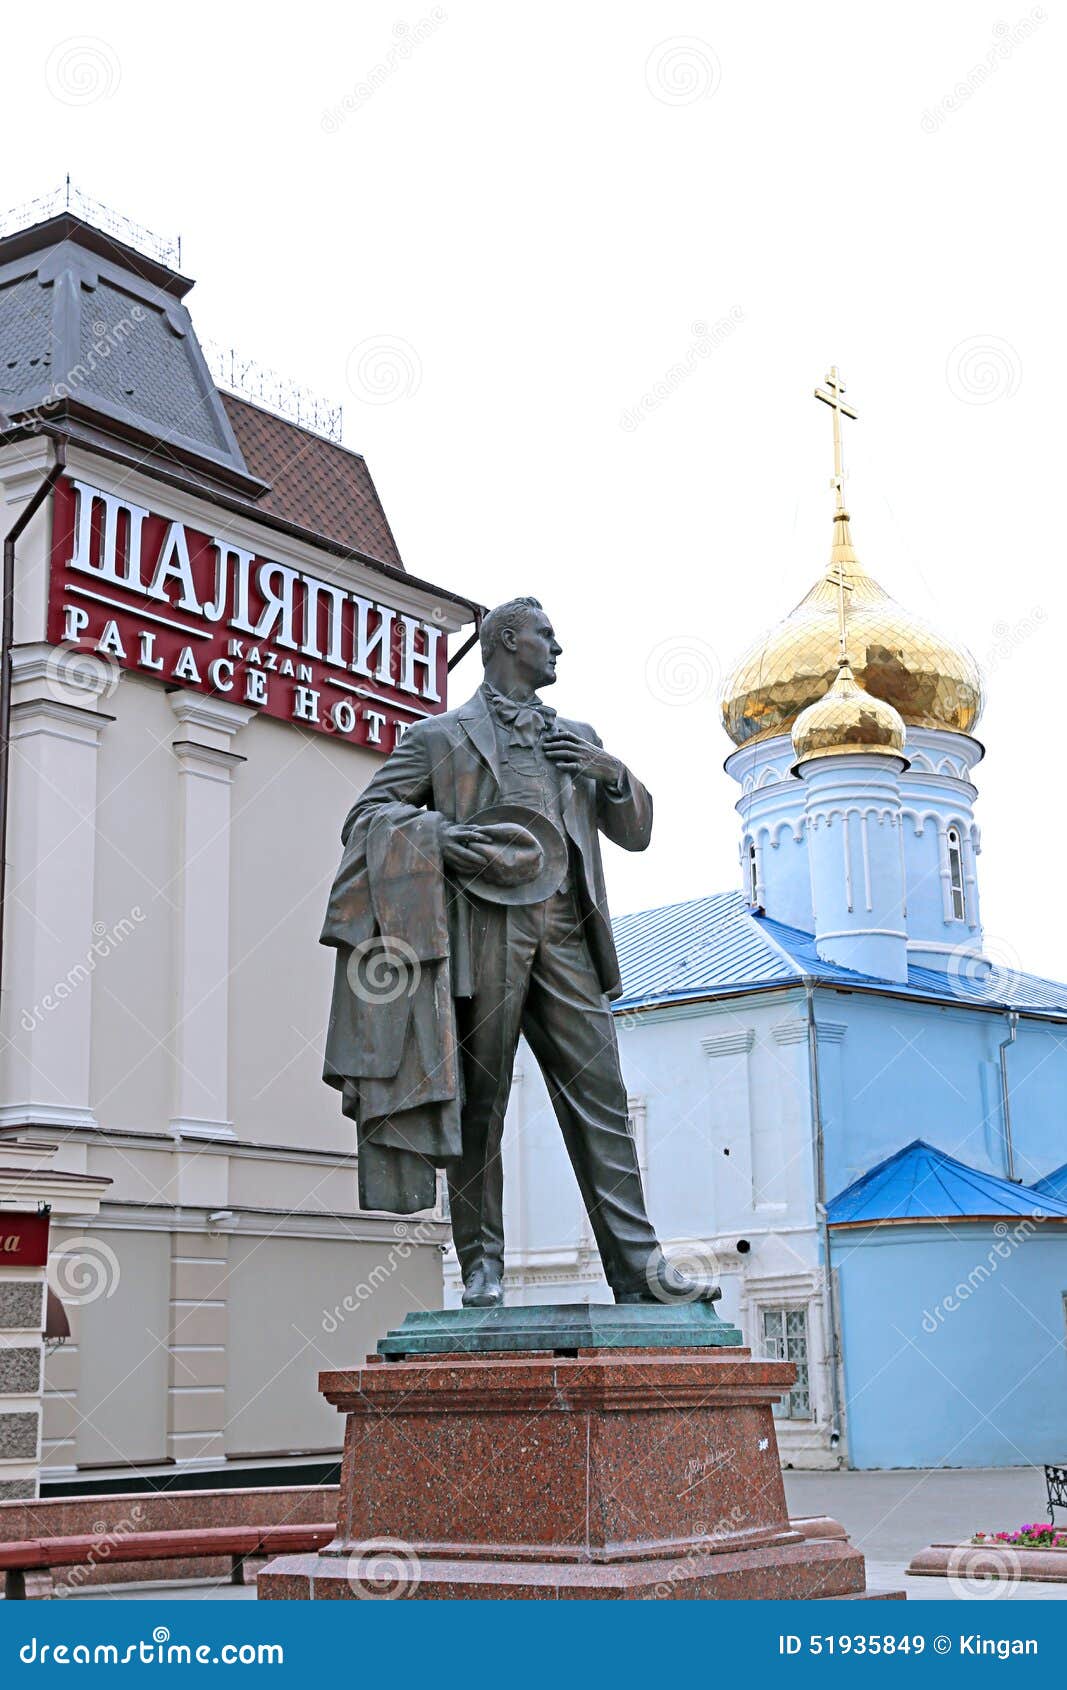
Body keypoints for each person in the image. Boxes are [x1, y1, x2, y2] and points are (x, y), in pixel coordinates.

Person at [321, 596, 719, 1309]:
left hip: (566, 934)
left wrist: (611, 772)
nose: (557, 648)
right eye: (545, 635)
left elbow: (635, 834)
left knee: (602, 1101)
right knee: (482, 1104)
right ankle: (481, 1265)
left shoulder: (580, 737)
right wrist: (436, 839)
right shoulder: (438, 738)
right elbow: (365, 818)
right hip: (483, 935)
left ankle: (640, 1269)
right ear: (506, 640)